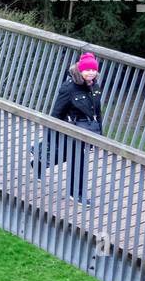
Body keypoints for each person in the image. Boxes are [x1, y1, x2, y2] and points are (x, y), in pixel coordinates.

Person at [31, 52, 103, 203]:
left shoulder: (94, 86)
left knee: (63, 155)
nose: (91, 72)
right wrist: (52, 138)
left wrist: (99, 135)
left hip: (86, 129)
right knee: (77, 159)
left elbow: (97, 111)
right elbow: (56, 113)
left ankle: (38, 159)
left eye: (93, 70)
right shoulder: (69, 88)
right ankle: (76, 193)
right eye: (87, 70)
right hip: (68, 129)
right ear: (80, 70)